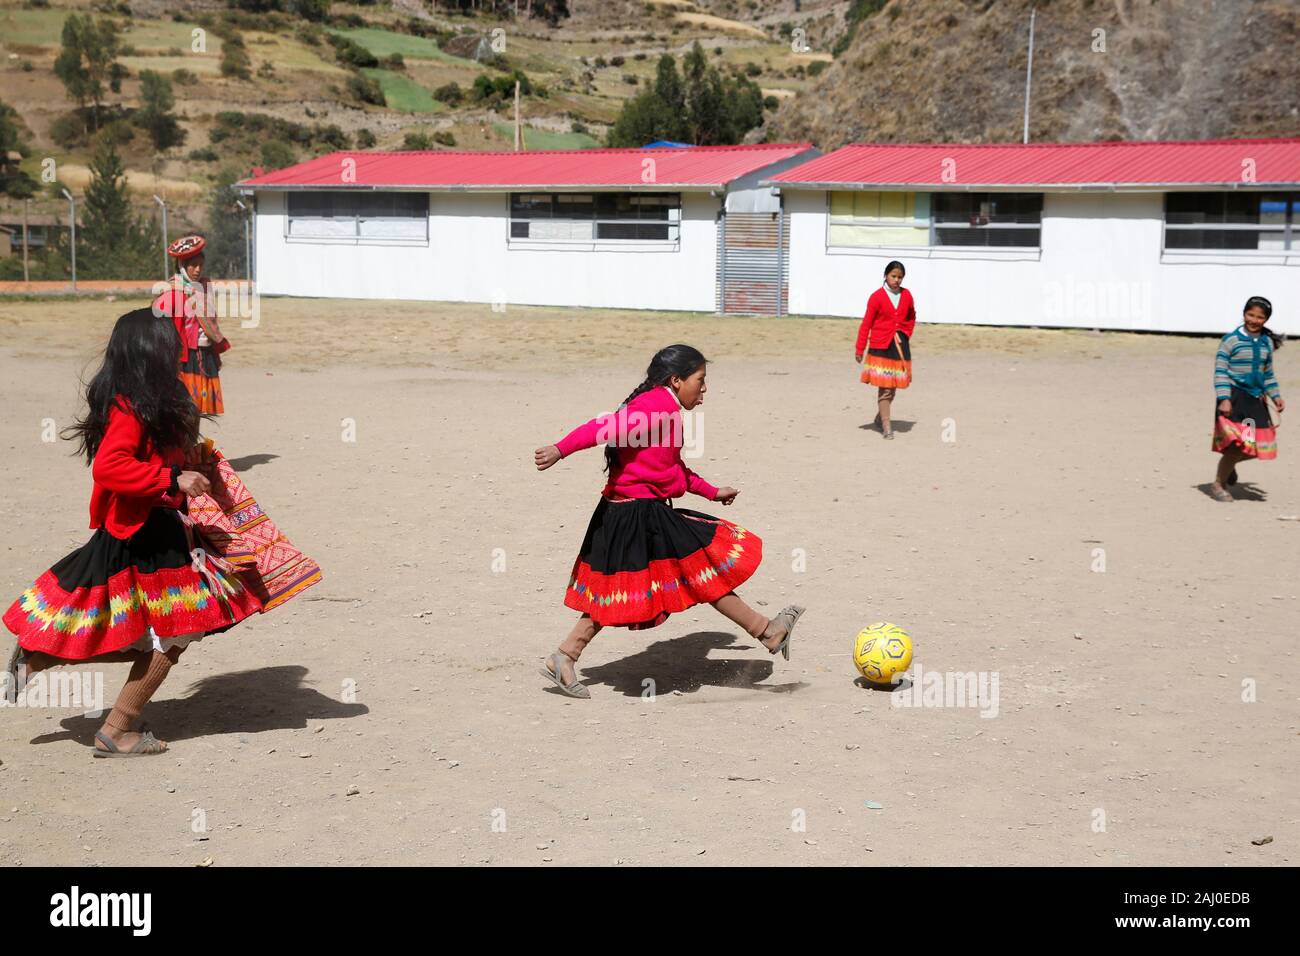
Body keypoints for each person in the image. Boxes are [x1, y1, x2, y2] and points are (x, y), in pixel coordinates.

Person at [2, 310, 263, 756]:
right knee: (178, 630)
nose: (179, 348)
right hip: (144, 532)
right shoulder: (129, 406)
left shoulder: (152, 399)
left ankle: (42, 657)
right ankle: (116, 730)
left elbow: (156, 456)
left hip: (150, 526)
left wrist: (192, 465)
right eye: (171, 342)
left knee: (146, 632)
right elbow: (109, 466)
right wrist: (171, 479)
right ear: (150, 352)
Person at [533, 344, 805, 699]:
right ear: (677, 380)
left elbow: (672, 471)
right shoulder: (657, 407)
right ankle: (767, 631)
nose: (704, 389)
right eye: (700, 380)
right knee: (695, 570)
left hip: (634, 511)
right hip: (635, 515)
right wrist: (560, 449)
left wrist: (712, 491)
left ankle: (564, 657)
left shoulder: (661, 407)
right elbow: (604, 427)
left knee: (639, 587)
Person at [1210, 295, 1285, 501]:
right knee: (1236, 445)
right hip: (1234, 401)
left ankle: (1228, 464)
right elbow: (1220, 371)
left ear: (1266, 319)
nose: (1253, 320)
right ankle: (1219, 484)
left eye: (1259, 317)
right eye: (1250, 314)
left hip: (1254, 402)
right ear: (1244, 314)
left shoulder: (1266, 343)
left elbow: (1267, 374)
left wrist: (1275, 395)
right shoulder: (1230, 341)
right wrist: (1224, 398)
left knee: (1251, 447)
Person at [153, 235, 230, 415]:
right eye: (193, 265)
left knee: (200, 409)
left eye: (201, 265)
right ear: (182, 266)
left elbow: (212, 321)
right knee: (185, 407)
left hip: (206, 353)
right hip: (186, 357)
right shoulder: (171, 291)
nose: (198, 270)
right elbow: (159, 322)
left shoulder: (204, 287)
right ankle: (182, 443)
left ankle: (193, 443)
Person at [855, 260, 917, 439]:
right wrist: (860, 348)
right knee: (885, 388)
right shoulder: (876, 297)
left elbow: (912, 316)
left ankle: (880, 416)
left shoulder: (907, 296)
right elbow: (866, 323)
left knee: (894, 387)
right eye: (893, 276)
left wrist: (905, 333)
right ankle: (886, 425)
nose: (897, 280)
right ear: (886, 276)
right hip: (880, 346)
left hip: (899, 347)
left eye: (900, 277)